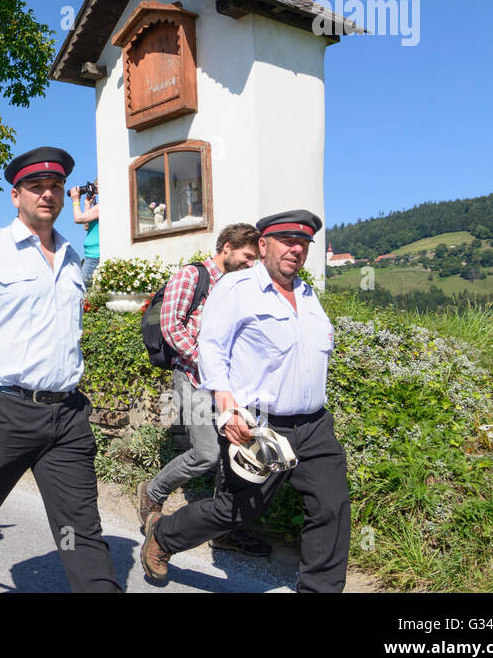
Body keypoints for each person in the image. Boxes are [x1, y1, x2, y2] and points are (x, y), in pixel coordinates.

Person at [0, 145, 121, 593]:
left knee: (79, 529)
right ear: (17, 196)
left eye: (54, 187)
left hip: (67, 416)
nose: (46, 194)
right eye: (35, 187)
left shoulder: (73, 259)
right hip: (2, 413)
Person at [141, 210, 350, 593]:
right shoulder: (236, 288)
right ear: (264, 245)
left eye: (303, 244)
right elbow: (212, 350)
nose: (296, 250)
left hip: (315, 424)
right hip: (261, 422)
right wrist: (227, 406)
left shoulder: (307, 294)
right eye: (288, 242)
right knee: (237, 509)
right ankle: (165, 535)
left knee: (331, 507)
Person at [135, 224, 269, 556]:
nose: (251, 264)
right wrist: (206, 364)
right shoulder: (192, 276)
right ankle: (153, 490)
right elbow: (170, 326)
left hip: (231, 386)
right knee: (207, 453)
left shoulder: (239, 286)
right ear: (227, 247)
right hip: (193, 378)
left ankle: (221, 529)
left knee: (231, 456)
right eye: (247, 256)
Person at [69, 183, 101, 287]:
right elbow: (86, 226)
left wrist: (75, 200)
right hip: (90, 255)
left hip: (95, 256)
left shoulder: (101, 207)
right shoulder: (97, 208)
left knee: (81, 289)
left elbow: (78, 219)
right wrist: (87, 205)